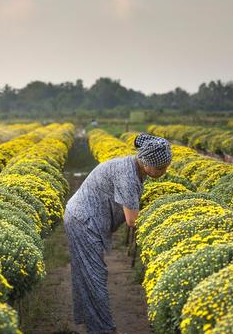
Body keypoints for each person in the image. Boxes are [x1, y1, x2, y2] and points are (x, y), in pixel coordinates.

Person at [64, 132, 172, 334]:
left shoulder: (134, 168)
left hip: (85, 218)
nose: (164, 172)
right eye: (160, 168)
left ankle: (95, 325)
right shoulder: (128, 176)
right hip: (83, 220)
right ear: (146, 163)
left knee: (89, 275)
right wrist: (165, 221)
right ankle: (104, 329)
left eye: (166, 167)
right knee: (94, 276)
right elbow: (132, 220)